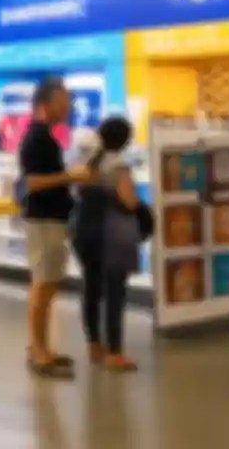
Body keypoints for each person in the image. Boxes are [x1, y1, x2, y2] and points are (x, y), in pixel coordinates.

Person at [19, 77, 90, 378]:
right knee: (42, 283)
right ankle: (37, 349)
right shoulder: (35, 139)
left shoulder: (47, 137)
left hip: (53, 218)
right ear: (45, 106)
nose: (68, 108)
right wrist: (70, 177)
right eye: (63, 103)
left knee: (48, 283)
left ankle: (42, 346)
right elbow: (32, 181)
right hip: (43, 219)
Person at [70, 116, 143, 373]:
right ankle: (115, 352)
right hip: (112, 232)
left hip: (83, 229)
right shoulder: (119, 165)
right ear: (125, 140)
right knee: (114, 292)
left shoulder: (84, 160)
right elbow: (129, 200)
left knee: (90, 287)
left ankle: (94, 345)